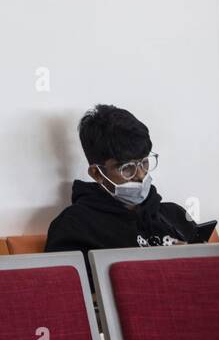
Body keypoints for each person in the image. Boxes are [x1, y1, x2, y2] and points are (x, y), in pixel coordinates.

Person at [46, 105, 208, 279]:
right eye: (126, 168)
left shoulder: (174, 215)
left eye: (144, 163)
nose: (140, 175)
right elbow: (69, 295)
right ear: (97, 173)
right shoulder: (75, 226)